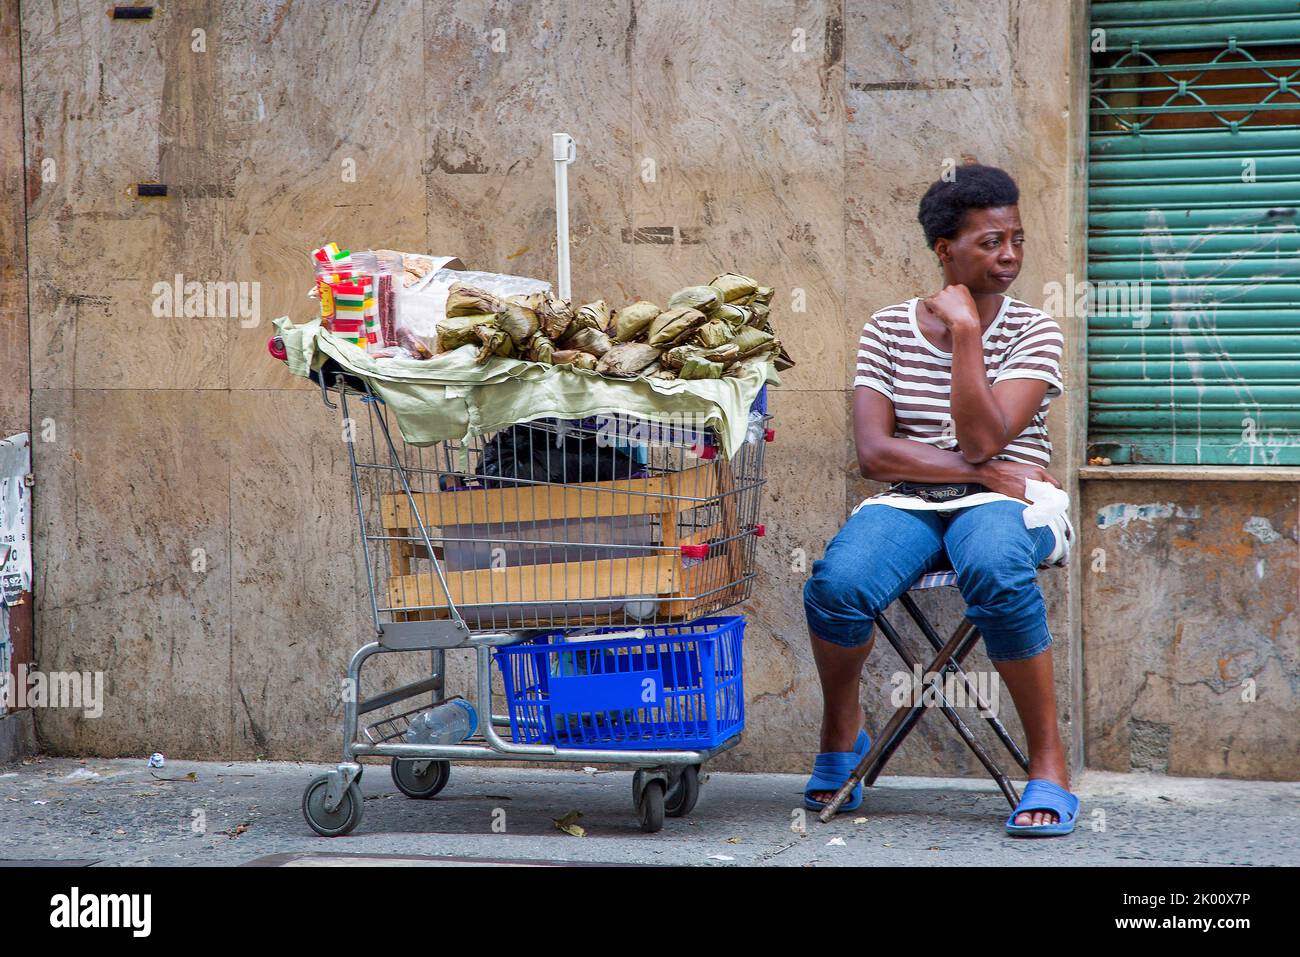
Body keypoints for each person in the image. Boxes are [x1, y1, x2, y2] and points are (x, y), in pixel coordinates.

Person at [801, 163, 1080, 836]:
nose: (1009, 254)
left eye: (1016, 237)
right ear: (944, 249)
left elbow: (984, 434)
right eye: (990, 242)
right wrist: (985, 474)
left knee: (994, 567)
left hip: (1015, 507)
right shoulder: (887, 327)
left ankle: (1049, 761)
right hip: (916, 502)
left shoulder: (1034, 331)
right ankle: (844, 731)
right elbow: (876, 453)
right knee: (836, 584)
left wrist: (965, 336)